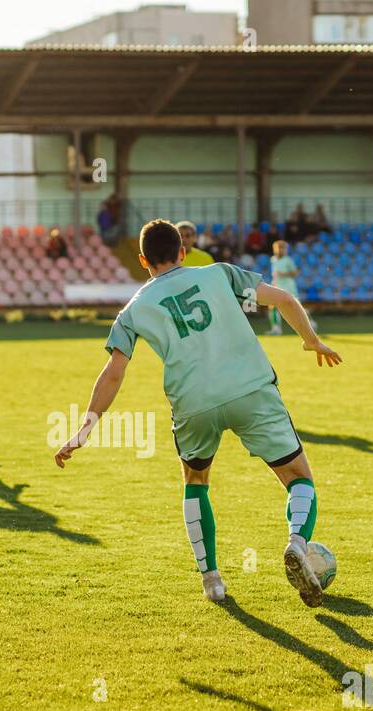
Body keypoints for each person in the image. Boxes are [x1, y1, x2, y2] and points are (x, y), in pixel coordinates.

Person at [53, 219, 344, 607]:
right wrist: (312, 341)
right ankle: (296, 543)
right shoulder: (220, 273)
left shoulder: (132, 310)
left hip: (193, 403)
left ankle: (212, 580)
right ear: (182, 252)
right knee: (298, 477)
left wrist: (85, 428)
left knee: (196, 481)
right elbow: (285, 301)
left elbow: (114, 372)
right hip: (251, 389)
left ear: (143, 260)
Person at [267, 240, 300, 336]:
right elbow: (275, 274)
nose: (281, 250)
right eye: (279, 248)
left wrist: (283, 274)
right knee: (272, 307)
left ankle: (309, 324)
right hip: (277, 287)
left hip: (289, 287)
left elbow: (295, 273)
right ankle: (276, 328)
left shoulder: (288, 260)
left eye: (283, 248)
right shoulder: (273, 259)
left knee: (296, 308)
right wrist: (273, 282)